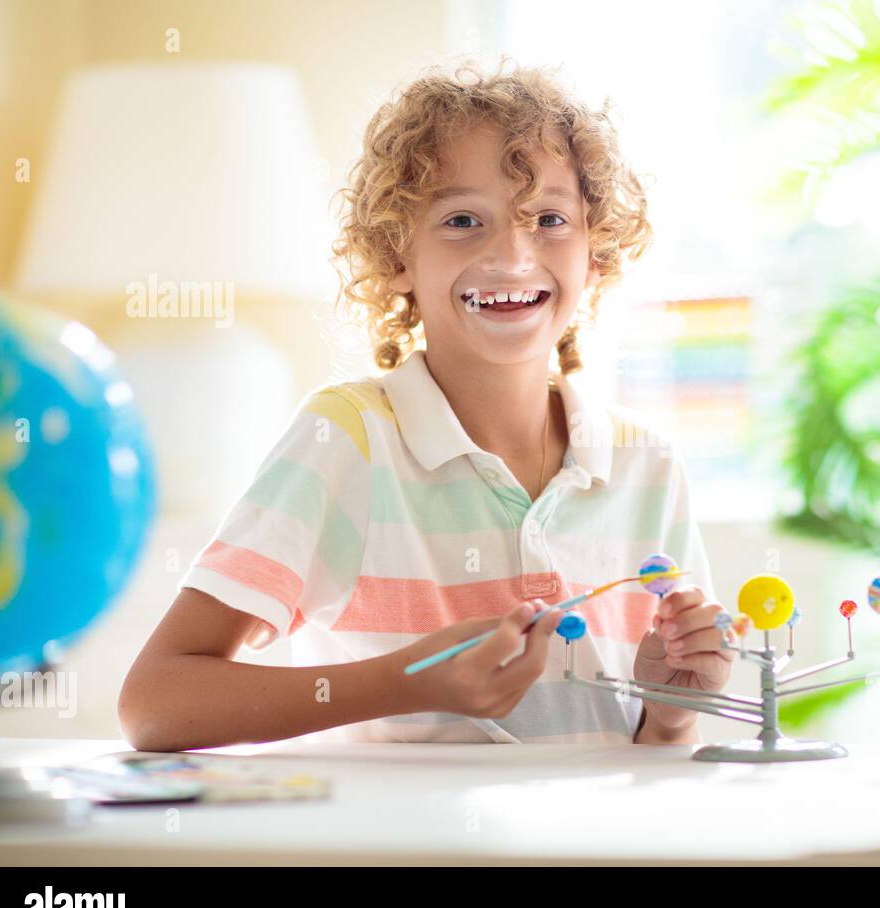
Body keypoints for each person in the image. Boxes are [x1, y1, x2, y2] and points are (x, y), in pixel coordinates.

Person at [119, 58, 731, 751]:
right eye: (464, 219)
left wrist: (672, 711)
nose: (512, 256)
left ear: (596, 255)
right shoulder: (347, 441)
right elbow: (154, 702)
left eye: (551, 219)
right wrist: (410, 679)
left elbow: (653, 760)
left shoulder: (647, 467)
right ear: (398, 254)